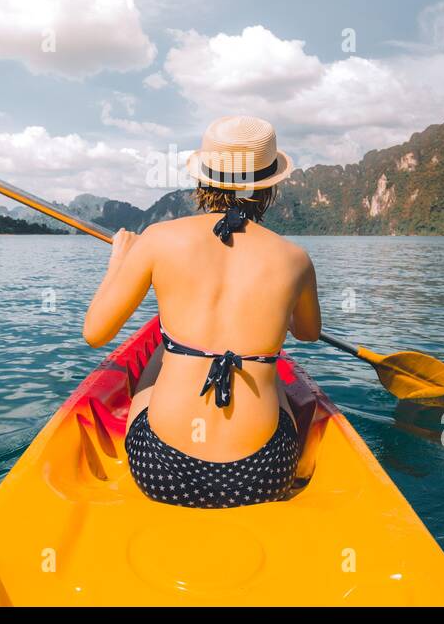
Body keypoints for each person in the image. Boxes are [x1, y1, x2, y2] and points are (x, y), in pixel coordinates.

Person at [82, 115, 321, 509]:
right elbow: (309, 333)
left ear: (203, 178)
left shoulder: (159, 240)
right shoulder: (295, 259)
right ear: (268, 188)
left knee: (166, 344)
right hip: (264, 474)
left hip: (163, 471)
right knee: (271, 368)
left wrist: (118, 265)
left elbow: (95, 334)